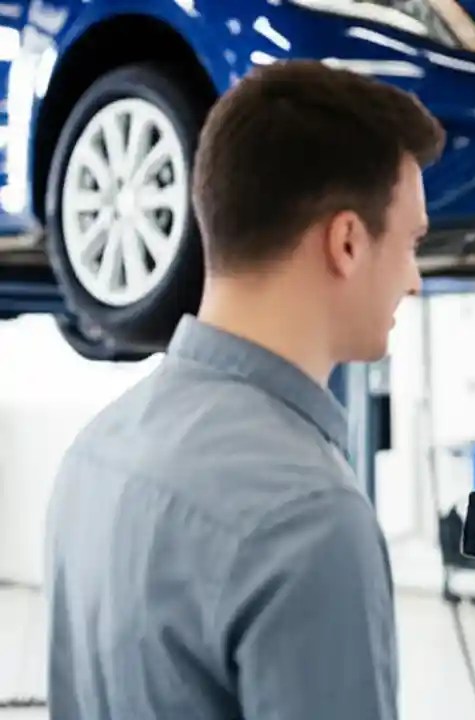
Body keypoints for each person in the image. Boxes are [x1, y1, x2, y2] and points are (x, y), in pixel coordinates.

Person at [43, 60, 444, 719]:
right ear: (346, 241)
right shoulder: (308, 515)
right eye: (410, 244)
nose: (414, 280)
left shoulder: (96, 450)